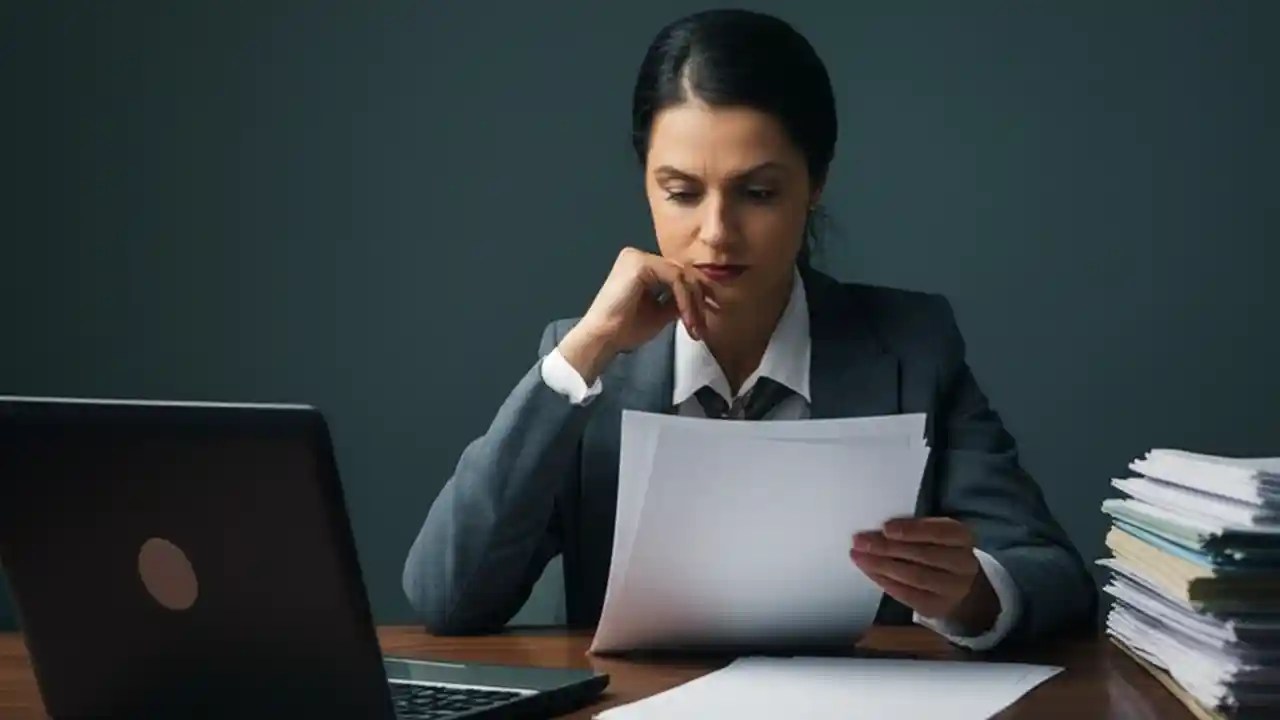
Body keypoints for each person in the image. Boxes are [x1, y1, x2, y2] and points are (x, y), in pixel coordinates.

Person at [402, 8, 1096, 649]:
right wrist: (581, 351)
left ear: (815, 181)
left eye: (758, 193)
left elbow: (1055, 577)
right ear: (645, 180)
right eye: (680, 192)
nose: (715, 234)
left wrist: (971, 594)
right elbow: (448, 596)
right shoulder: (588, 367)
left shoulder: (912, 346)